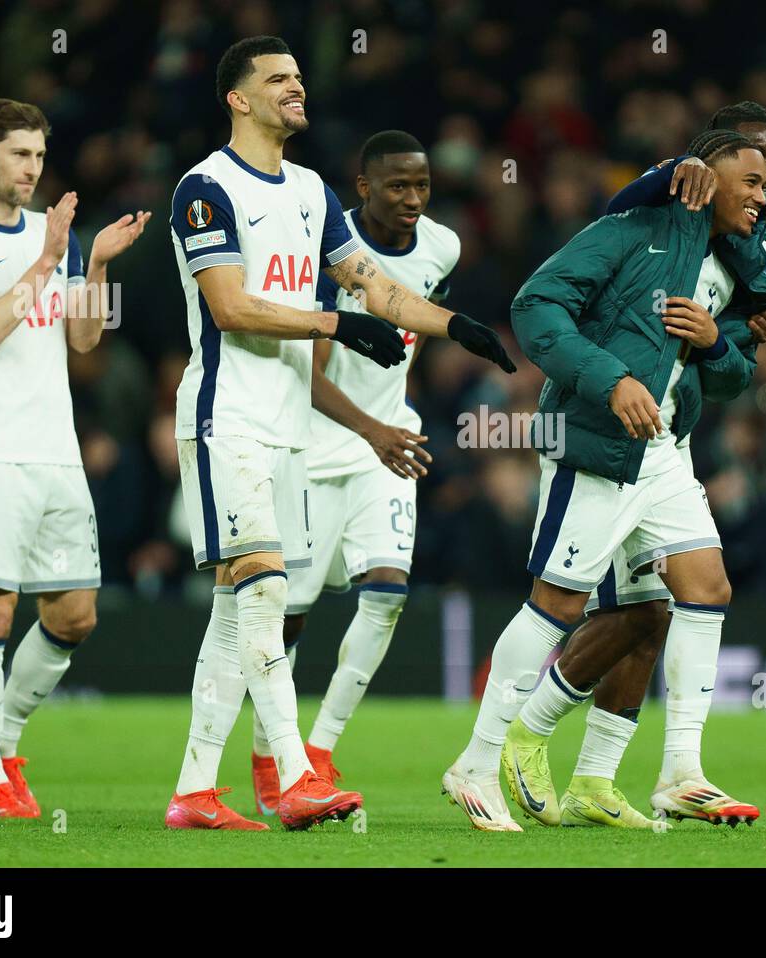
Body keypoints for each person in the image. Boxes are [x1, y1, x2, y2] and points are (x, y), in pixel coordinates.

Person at [165, 37, 513, 832]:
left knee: (236, 611)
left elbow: (376, 287)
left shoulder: (313, 193)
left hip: (288, 426)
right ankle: (294, 774)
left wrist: (455, 324)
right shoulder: (206, 188)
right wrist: (333, 322)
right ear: (238, 99)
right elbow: (230, 306)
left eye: (297, 77)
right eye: (277, 80)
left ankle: (193, 792)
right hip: (229, 417)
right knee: (261, 590)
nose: (296, 89)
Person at [443, 129, 766, 831]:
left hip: (663, 447)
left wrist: (716, 341)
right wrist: (612, 382)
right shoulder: (634, 228)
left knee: (700, 590)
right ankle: (477, 763)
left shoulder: (734, 267)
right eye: (751, 180)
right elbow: (534, 304)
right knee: (556, 607)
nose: (763, 197)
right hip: (599, 442)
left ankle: (679, 773)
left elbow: (733, 376)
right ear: (707, 172)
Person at [0, 98, 149, 818]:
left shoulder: (60, 236)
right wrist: (48, 257)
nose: (33, 169)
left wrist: (96, 264)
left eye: (41, 157)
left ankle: (4, 737)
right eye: (19, 154)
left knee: (76, 615)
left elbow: (82, 343)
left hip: (58, 452)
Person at [248, 130, 457, 815]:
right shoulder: (320, 256)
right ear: (363, 189)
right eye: (397, 186)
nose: (412, 200)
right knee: (290, 618)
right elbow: (306, 378)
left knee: (388, 592)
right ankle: (266, 753)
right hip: (313, 450)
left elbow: (411, 338)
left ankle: (319, 750)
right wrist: (372, 428)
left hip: (387, 450)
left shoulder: (442, 246)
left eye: (422, 186)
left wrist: (390, 414)